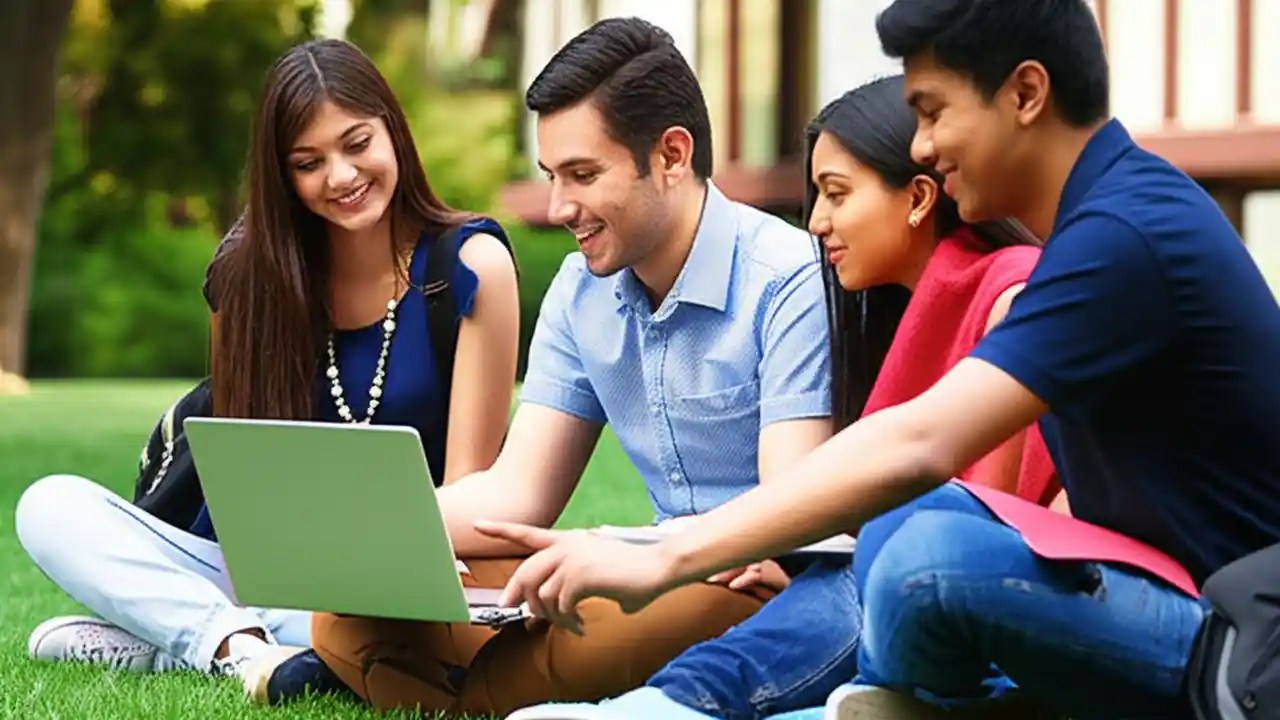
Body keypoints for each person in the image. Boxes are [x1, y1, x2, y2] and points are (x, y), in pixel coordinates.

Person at [481, 1, 1280, 718]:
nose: (923, 147)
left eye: (932, 113)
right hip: (1169, 598)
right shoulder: (1095, 227)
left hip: (1240, 641)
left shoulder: (1124, 236)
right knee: (906, 532)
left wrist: (665, 555)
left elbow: (920, 443)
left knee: (929, 554)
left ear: (1026, 95)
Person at [257, 16, 833, 717]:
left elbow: (787, 513)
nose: (560, 207)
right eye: (551, 177)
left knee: (596, 629)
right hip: (633, 570)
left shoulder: (786, 279)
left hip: (745, 583)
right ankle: (492, 691)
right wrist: (359, 524)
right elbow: (516, 494)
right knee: (345, 616)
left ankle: (458, 691)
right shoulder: (579, 289)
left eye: (583, 175)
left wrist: (625, 555)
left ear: (671, 155)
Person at [499, 74, 1059, 720]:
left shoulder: (1007, 296)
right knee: (844, 579)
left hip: (1007, 586)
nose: (816, 222)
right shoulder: (882, 313)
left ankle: (666, 708)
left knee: (867, 579)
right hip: (901, 580)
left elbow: (981, 526)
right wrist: (796, 549)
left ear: (918, 198)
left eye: (836, 195)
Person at [15, 37, 519, 689]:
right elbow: (243, 476)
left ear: (394, 131)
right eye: (308, 162)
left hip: (412, 573)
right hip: (256, 572)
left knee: (431, 621)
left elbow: (473, 489)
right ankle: (242, 648)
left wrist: (387, 556)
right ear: (281, 175)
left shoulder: (470, 267)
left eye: (357, 143)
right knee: (48, 506)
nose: (341, 176)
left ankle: (181, 637)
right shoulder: (245, 276)